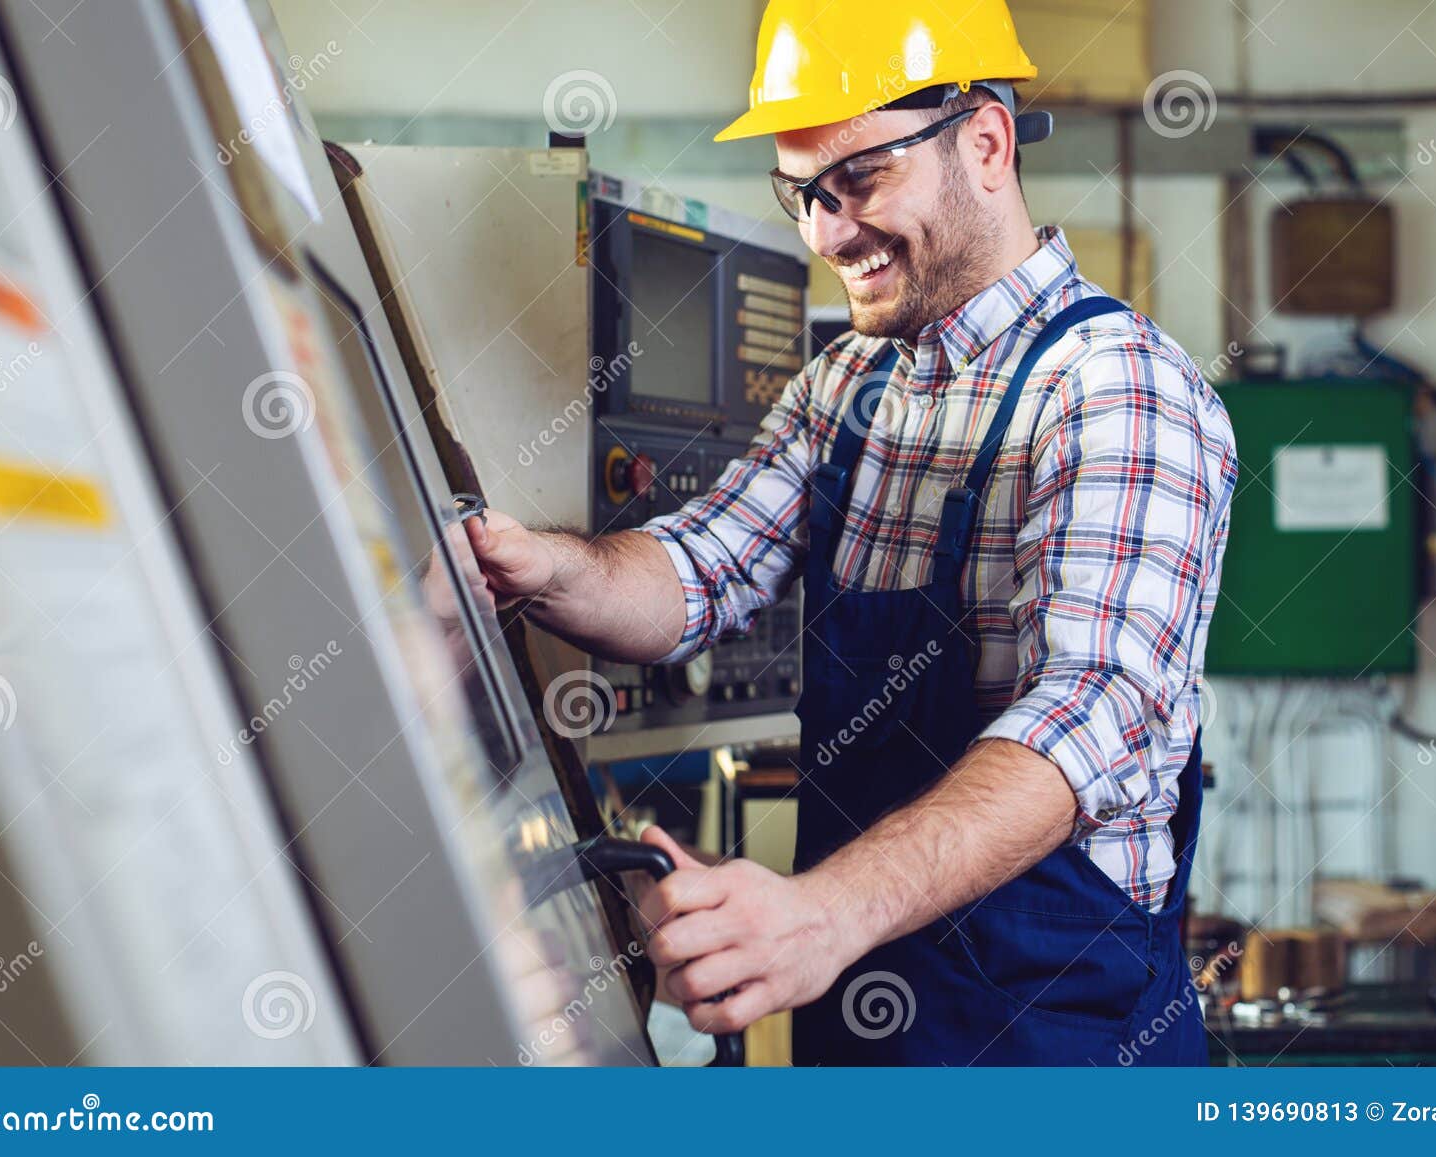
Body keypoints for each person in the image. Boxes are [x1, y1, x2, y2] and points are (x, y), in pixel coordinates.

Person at [463, 0, 1237, 1065]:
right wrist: (536, 565)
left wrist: (822, 913)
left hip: (1054, 1042)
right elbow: (699, 568)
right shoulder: (848, 385)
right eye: (804, 194)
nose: (828, 232)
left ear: (985, 143)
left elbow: (1088, 713)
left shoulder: (1114, 387)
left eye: (860, 179)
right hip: (868, 1033)